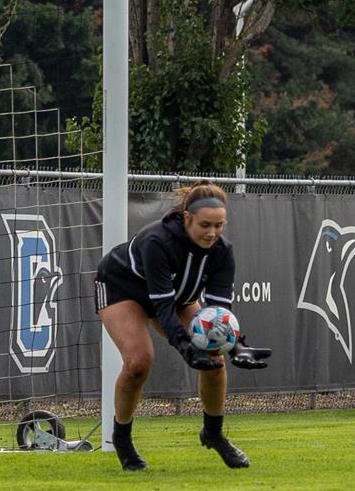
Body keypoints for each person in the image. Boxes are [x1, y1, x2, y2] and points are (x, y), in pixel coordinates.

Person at [93, 181, 270, 471]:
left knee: (215, 358)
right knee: (139, 362)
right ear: (186, 218)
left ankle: (213, 433)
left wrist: (235, 345)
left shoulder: (223, 252)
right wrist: (185, 347)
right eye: (205, 225)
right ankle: (121, 439)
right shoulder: (157, 241)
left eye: (219, 225)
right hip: (121, 288)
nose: (212, 233)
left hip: (176, 297)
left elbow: (219, 314)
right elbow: (162, 307)